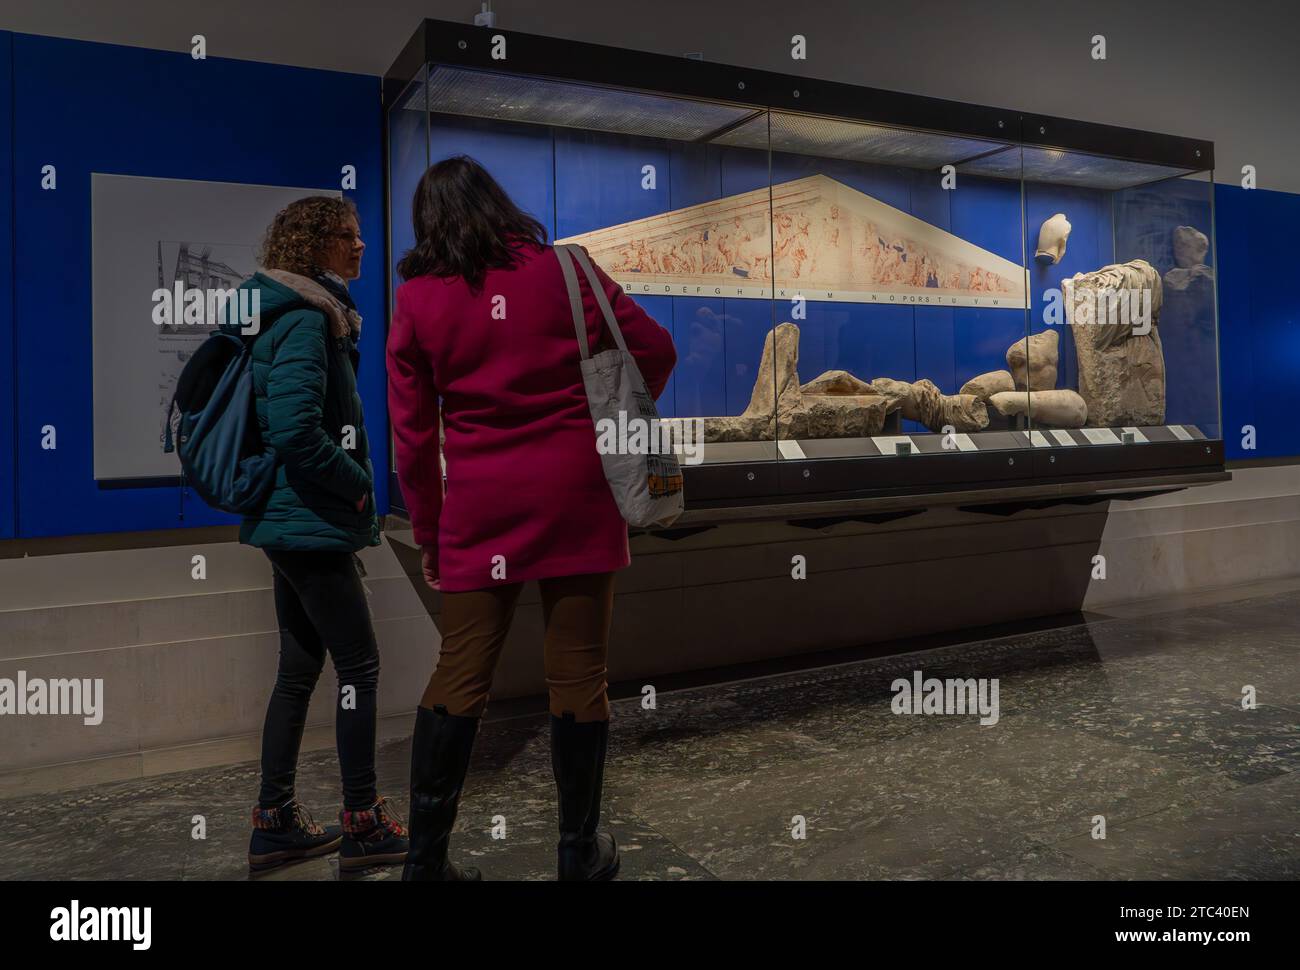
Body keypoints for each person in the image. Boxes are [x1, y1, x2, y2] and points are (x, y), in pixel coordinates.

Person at [387, 156, 677, 881]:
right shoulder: (567, 272)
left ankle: (426, 864)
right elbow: (657, 351)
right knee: (579, 675)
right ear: (499, 204)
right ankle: (578, 854)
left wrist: (429, 530)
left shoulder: (418, 300)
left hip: (481, 507)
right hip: (577, 496)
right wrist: (600, 418)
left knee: (459, 675)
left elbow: (413, 437)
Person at [223, 196, 410, 874]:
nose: (359, 246)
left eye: (359, 235)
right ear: (311, 244)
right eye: (345, 236)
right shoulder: (305, 320)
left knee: (299, 671)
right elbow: (297, 432)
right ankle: (362, 821)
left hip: (289, 519)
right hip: (308, 520)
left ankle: (275, 822)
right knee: (358, 666)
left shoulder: (291, 312)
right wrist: (356, 483)